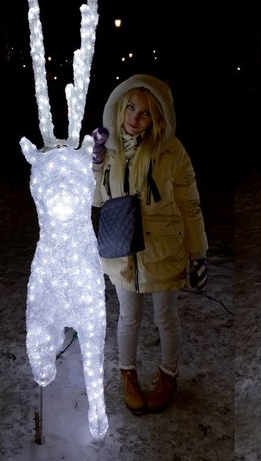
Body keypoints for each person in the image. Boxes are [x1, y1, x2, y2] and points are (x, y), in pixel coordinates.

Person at [90, 74, 208, 414]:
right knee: (128, 317)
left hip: (163, 251)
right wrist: (96, 164)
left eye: (145, 113)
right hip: (122, 251)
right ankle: (127, 374)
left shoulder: (172, 151)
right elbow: (97, 200)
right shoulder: (109, 149)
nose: (134, 118)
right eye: (131, 108)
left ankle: (169, 374)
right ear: (120, 106)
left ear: (158, 118)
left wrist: (198, 254)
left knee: (165, 317)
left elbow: (189, 204)